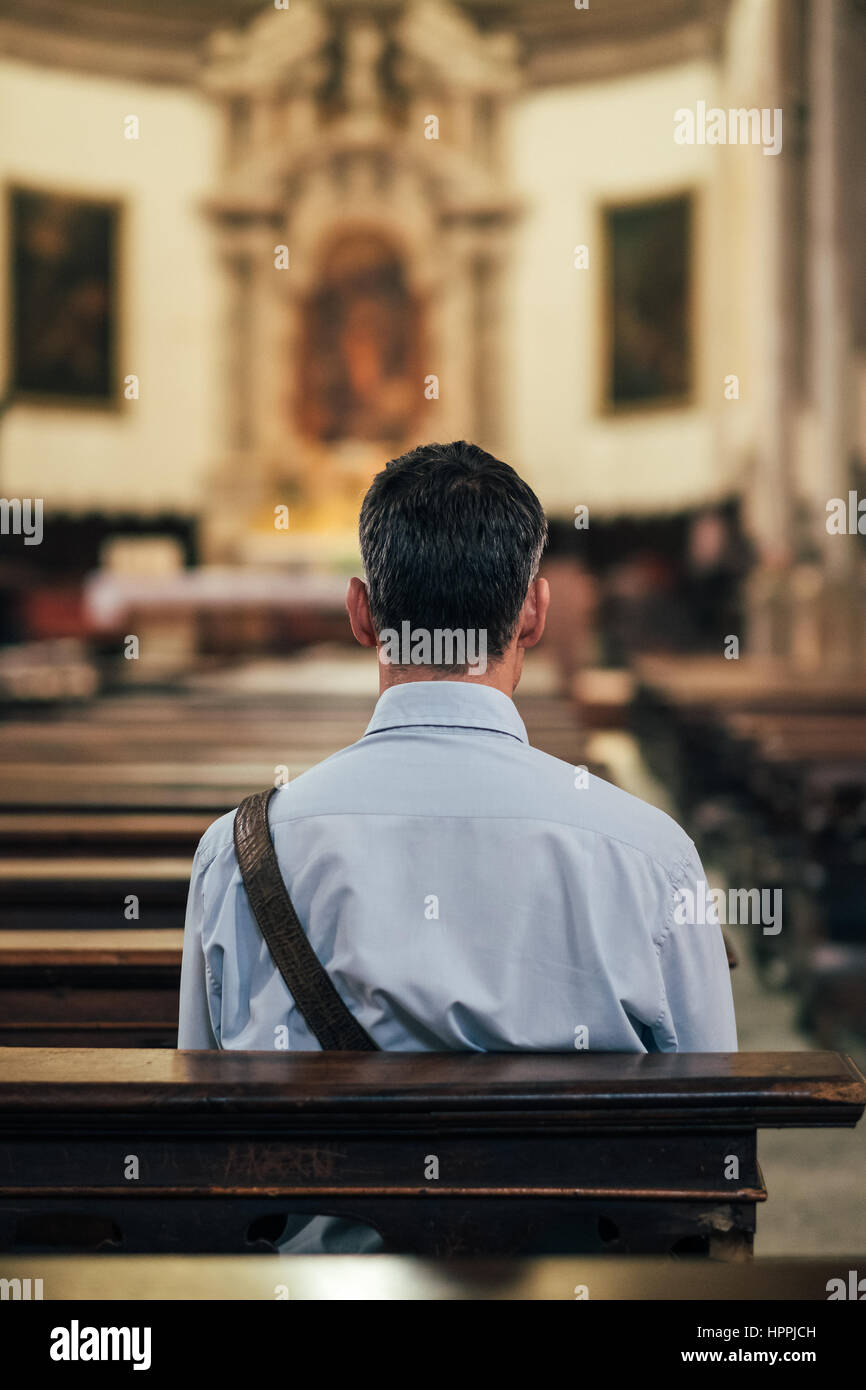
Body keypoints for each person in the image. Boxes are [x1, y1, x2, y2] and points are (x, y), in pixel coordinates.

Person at [179, 440, 736, 1250]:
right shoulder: (650, 854)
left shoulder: (236, 853)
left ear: (361, 612)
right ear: (535, 613)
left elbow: (199, 1136)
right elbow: (708, 1135)